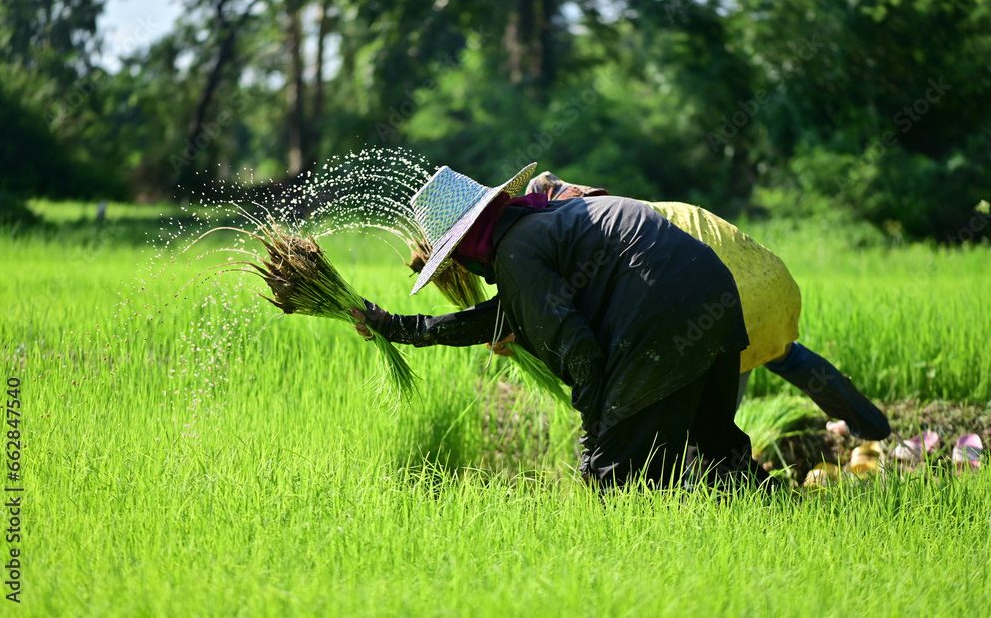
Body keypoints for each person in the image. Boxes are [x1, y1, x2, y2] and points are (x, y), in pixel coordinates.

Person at [351, 163, 775, 493]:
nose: (465, 270)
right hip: (715, 297)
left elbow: (579, 353)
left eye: (456, 258)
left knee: (619, 480)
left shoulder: (516, 251)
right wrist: (395, 327)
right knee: (718, 452)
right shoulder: (548, 221)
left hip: (661, 318)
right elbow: (501, 316)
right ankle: (781, 517)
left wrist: (596, 441)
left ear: (466, 245)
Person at [524, 172, 890, 441]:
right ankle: (872, 425)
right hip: (770, 279)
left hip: (722, 302)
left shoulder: (596, 243)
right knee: (786, 355)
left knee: (706, 422)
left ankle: (713, 496)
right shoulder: (634, 213)